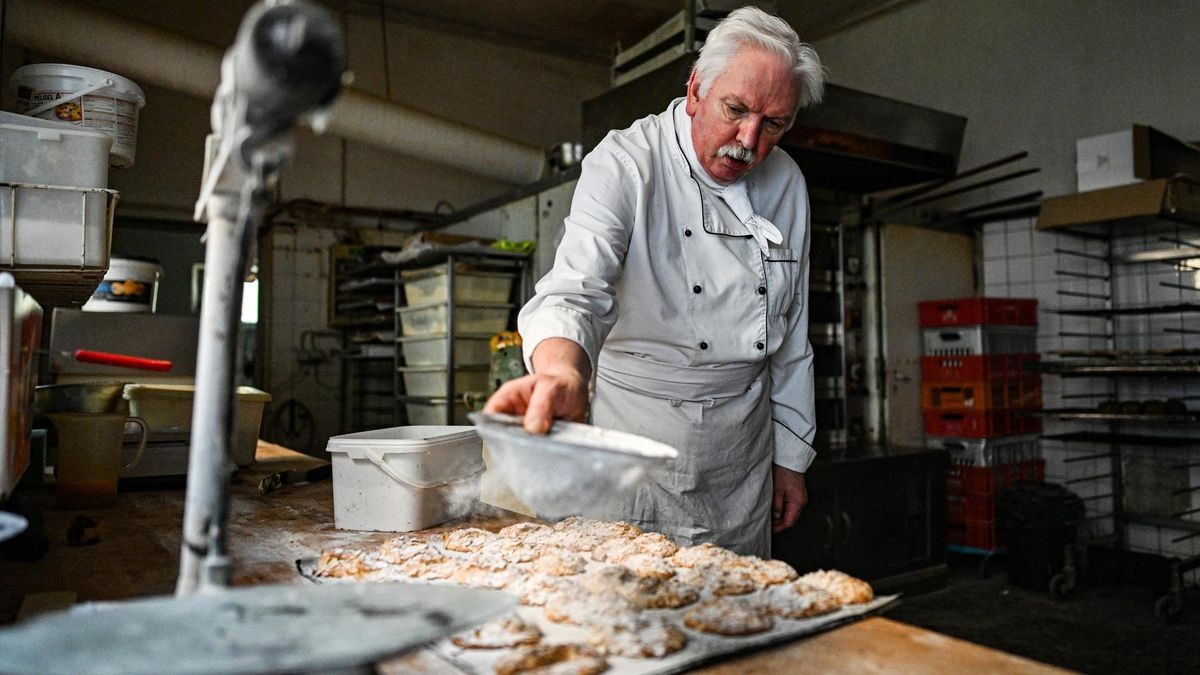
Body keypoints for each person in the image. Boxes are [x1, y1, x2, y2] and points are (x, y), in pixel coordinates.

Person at [484, 6, 824, 557]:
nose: (748, 140)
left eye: (774, 124)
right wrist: (562, 372)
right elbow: (574, 291)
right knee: (628, 617)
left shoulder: (786, 182)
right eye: (734, 110)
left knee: (738, 617)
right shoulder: (625, 164)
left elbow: (791, 335)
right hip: (634, 446)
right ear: (694, 91)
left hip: (742, 456)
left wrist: (790, 457)